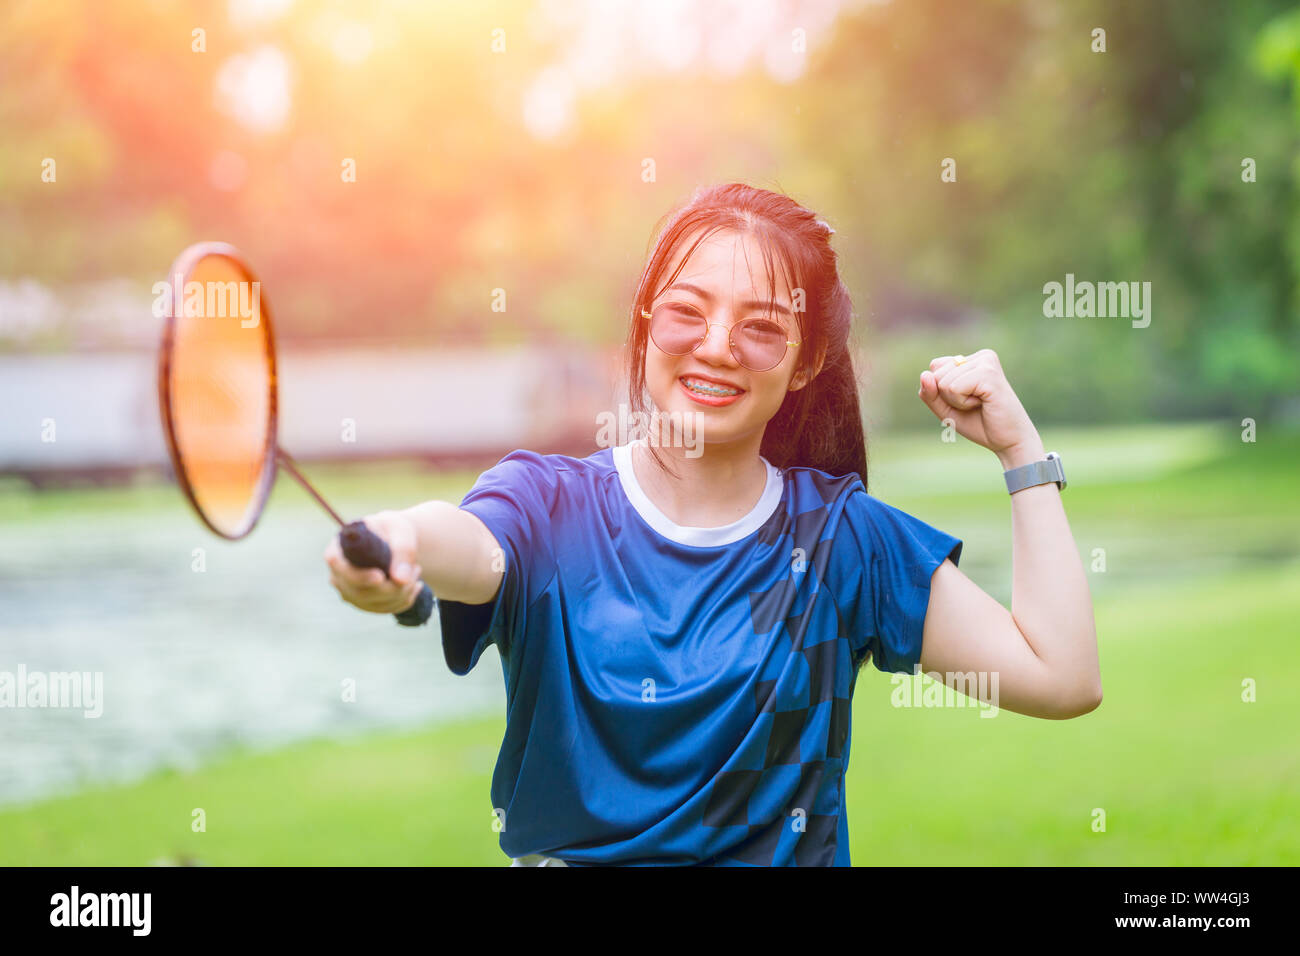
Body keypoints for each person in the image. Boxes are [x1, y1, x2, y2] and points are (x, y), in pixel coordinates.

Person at [323, 182, 1101, 866]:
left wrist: (1019, 449)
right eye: (686, 313)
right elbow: (469, 547)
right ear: (646, 324)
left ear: (804, 363)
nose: (717, 347)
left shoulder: (841, 541)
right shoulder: (543, 504)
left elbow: (1061, 676)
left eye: (761, 327)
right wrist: (401, 540)